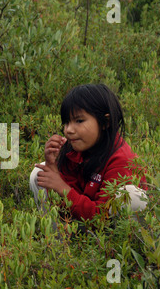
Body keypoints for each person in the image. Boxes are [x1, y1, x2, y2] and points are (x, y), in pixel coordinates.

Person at [29, 83, 147, 224]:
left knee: (132, 196)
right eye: (67, 122)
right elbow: (70, 201)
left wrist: (61, 187)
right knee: (40, 173)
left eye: (79, 121)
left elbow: (100, 216)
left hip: (110, 233)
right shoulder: (74, 149)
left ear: (105, 122)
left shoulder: (121, 159)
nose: (69, 130)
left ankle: (132, 245)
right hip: (82, 226)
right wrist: (54, 167)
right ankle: (56, 242)